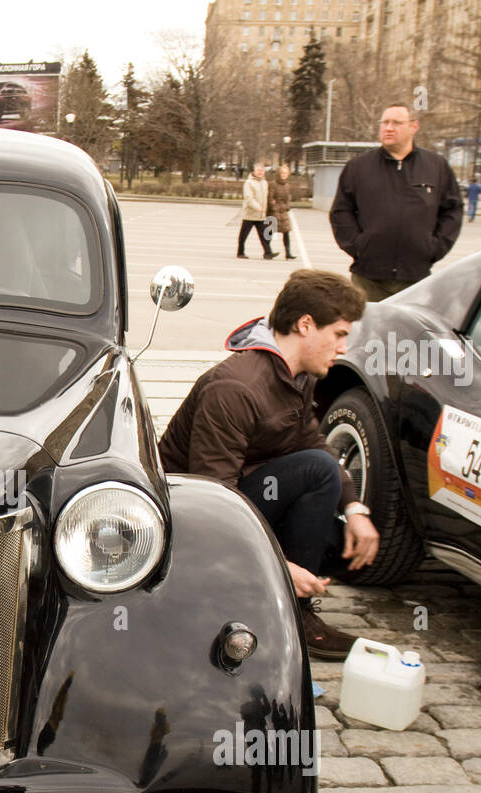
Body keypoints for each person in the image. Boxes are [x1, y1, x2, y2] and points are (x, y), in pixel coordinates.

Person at [158, 270, 378, 658]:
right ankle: (292, 614)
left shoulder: (299, 373)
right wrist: (279, 567)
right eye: (340, 334)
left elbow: (312, 440)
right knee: (317, 470)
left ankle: (277, 590)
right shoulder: (236, 387)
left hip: (243, 493)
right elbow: (213, 495)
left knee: (346, 555)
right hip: (191, 519)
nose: (342, 348)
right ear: (306, 325)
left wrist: (355, 509)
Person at [329, 103, 462, 302]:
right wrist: (359, 246)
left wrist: (433, 248)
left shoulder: (436, 166)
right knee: (367, 332)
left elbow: (452, 211)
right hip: (368, 278)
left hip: (416, 278)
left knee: (410, 333)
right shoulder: (359, 167)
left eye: (397, 123)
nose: (389, 128)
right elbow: (341, 211)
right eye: (385, 122)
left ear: (414, 126)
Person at [237, 164, 276, 259]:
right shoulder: (249, 183)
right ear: (254, 171)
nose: (260, 172)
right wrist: (257, 206)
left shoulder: (264, 182)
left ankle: (268, 253)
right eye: (258, 170)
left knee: (264, 235)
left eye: (262, 171)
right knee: (244, 235)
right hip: (250, 214)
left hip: (261, 215)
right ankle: (240, 252)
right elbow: (248, 198)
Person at [267, 164, 297, 260]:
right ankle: (267, 251)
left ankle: (288, 253)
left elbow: (288, 198)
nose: (284, 175)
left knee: (286, 232)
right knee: (270, 232)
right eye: (282, 173)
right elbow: (270, 198)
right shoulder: (273, 184)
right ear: (278, 174)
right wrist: (274, 207)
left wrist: (287, 207)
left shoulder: (287, 185)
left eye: (286, 173)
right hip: (274, 212)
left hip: (283, 211)